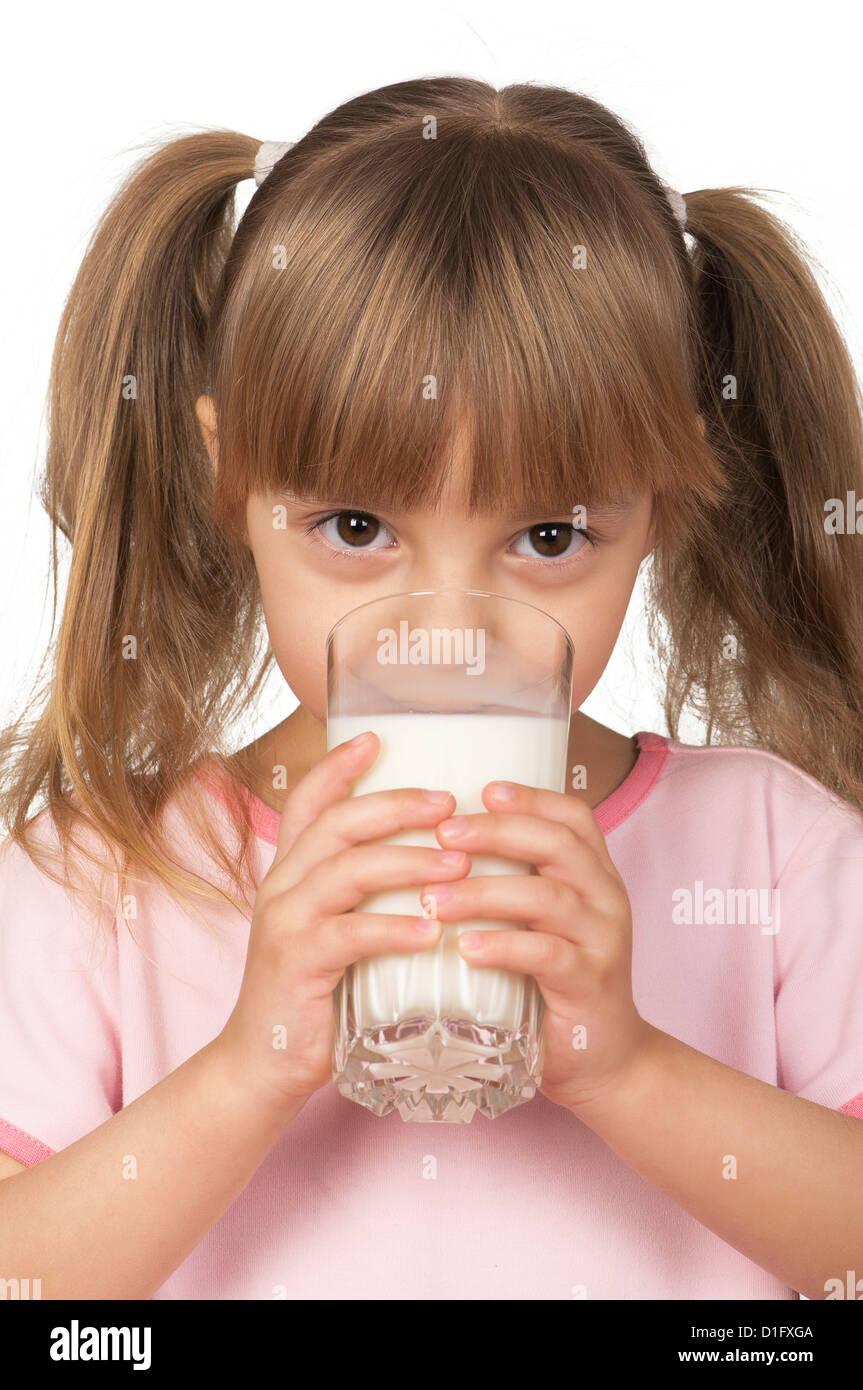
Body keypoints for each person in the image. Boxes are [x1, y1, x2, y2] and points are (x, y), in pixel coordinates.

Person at [1, 76, 862, 1300]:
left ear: (664, 503)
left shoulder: (773, 858)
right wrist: (247, 1067)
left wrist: (626, 1068)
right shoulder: (106, 885)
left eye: (548, 540)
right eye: (356, 525)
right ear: (223, 470)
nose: (451, 634)